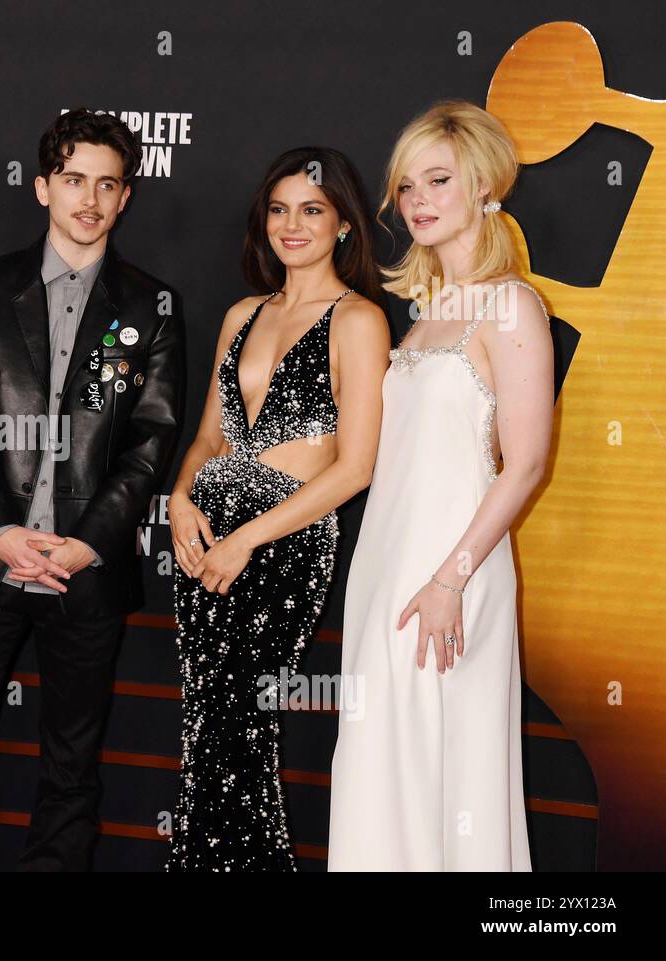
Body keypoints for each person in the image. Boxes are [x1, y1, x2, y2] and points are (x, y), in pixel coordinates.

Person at [0, 108, 185, 871]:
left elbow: (152, 440)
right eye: (74, 179)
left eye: (107, 185)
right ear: (43, 186)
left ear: (126, 198)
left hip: (86, 572)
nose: (89, 199)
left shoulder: (153, 306)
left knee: (70, 773)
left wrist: (86, 543)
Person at [328, 100, 551, 871]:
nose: (416, 200)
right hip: (385, 571)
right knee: (383, 760)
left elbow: (525, 462)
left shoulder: (513, 304)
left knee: (446, 772)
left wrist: (452, 578)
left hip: (455, 573)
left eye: (438, 180)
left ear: (484, 184)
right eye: (407, 185)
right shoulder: (419, 317)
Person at [166, 148, 390, 871]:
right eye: (279, 208)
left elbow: (355, 466)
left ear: (345, 225)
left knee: (241, 730)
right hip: (206, 545)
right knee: (206, 732)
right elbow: (208, 437)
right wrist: (177, 497)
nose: (292, 225)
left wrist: (248, 539)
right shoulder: (242, 313)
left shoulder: (358, 321)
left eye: (313, 209)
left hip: (282, 549)